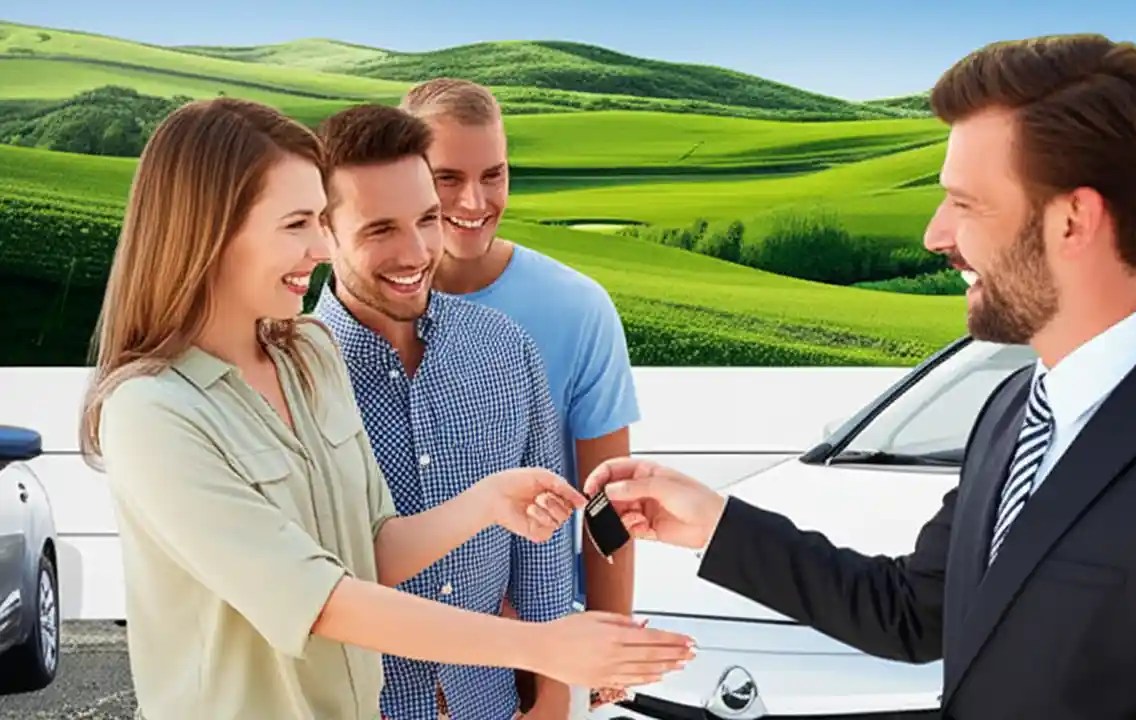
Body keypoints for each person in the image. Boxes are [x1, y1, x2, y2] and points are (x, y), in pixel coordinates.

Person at [583, 33, 1136, 719]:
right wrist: (715, 524)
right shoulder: (1015, 409)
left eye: (966, 204)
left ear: (1074, 219)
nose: (936, 235)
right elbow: (916, 611)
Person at [79, 97, 695, 720]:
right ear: (208, 231)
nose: (321, 247)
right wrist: (545, 647)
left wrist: (485, 504)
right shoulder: (149, 413)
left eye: (321, 220)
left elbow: (367, 550)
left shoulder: (308, 356)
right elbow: (320, 599)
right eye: (298, 224)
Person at [308, 102, 592, 720]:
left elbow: (542, 538)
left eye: (427, 220)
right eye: (381, 229)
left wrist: (551, 693)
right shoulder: (289, 377)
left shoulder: (505, 347)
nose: (415, 253)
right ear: (322, 232)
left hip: (492, 704)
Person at [398, 78, 642, 712]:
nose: (474, 201)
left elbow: (606, 499)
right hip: (387, 641)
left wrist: (607, 648)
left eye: (494, 175)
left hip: (533, 642)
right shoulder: (358, 303)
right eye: (445, 177)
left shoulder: (577, 308)